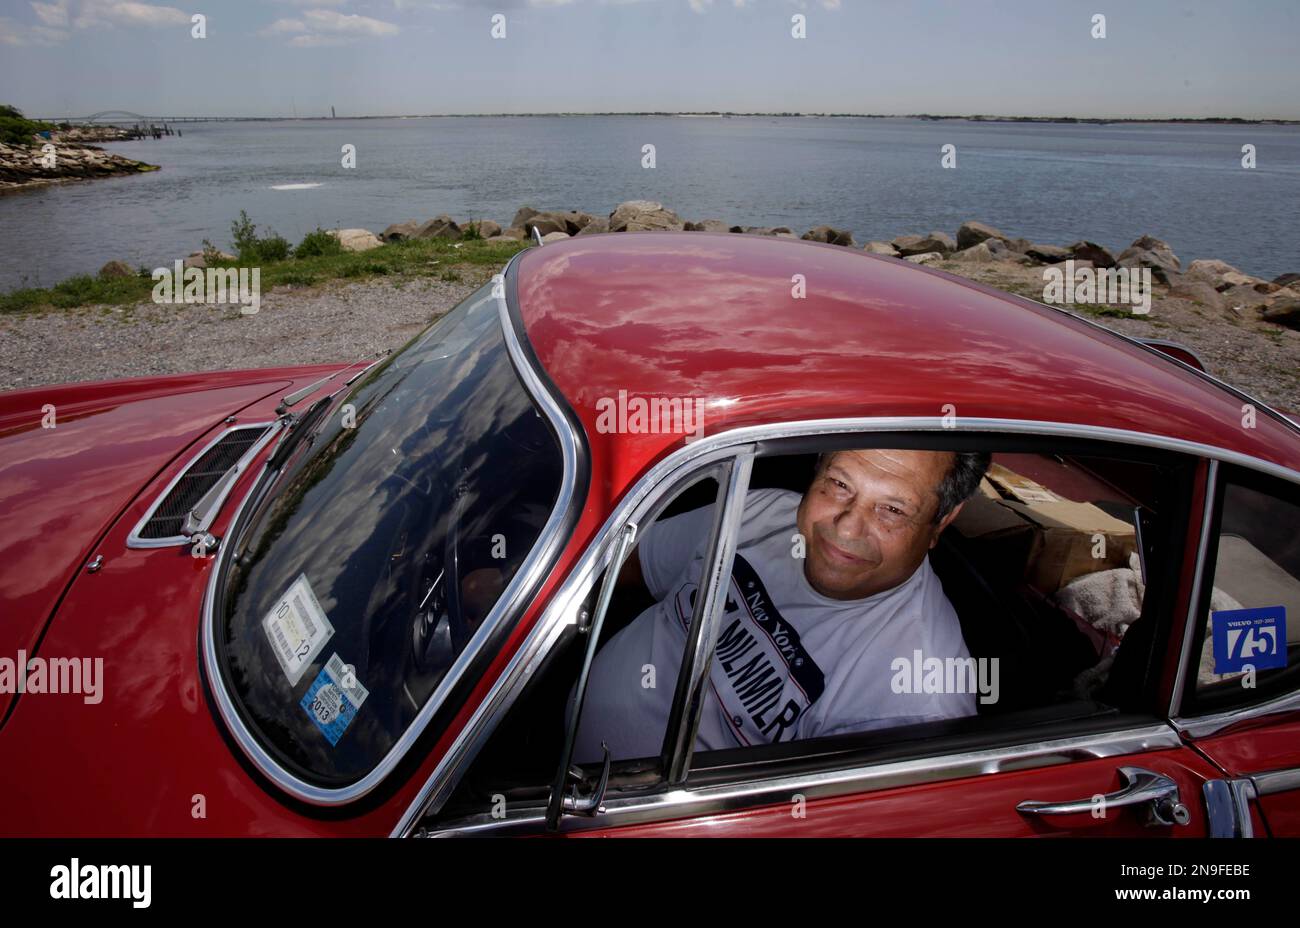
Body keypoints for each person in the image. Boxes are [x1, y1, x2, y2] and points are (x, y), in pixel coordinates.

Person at [572, 448, 992, 762]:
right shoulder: (761, 513)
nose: (846, 526)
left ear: (942, 521)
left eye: (892, 510)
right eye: (840, 485)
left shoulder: (915, 701)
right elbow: (630, 565)